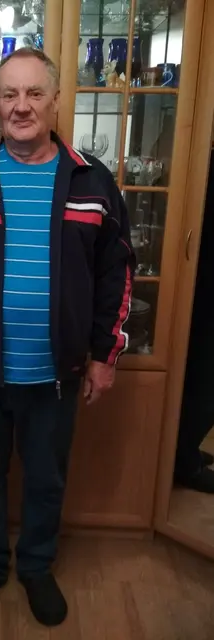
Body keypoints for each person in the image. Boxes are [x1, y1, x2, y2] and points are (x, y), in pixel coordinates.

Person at [0, 47, 134, 627]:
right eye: (9, 94)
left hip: (56, 373)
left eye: (35, 93)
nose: (21, 106)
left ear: (56, 101)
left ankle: (36, 567)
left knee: (45, 479)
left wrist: (105, 356)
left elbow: (117, 272)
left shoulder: (92, 181)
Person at [174, 152, 214, 493]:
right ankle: (183, 458)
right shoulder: (203, 155)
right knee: (203, 377)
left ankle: (183, 448)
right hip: (201, 282)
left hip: (199, 281)